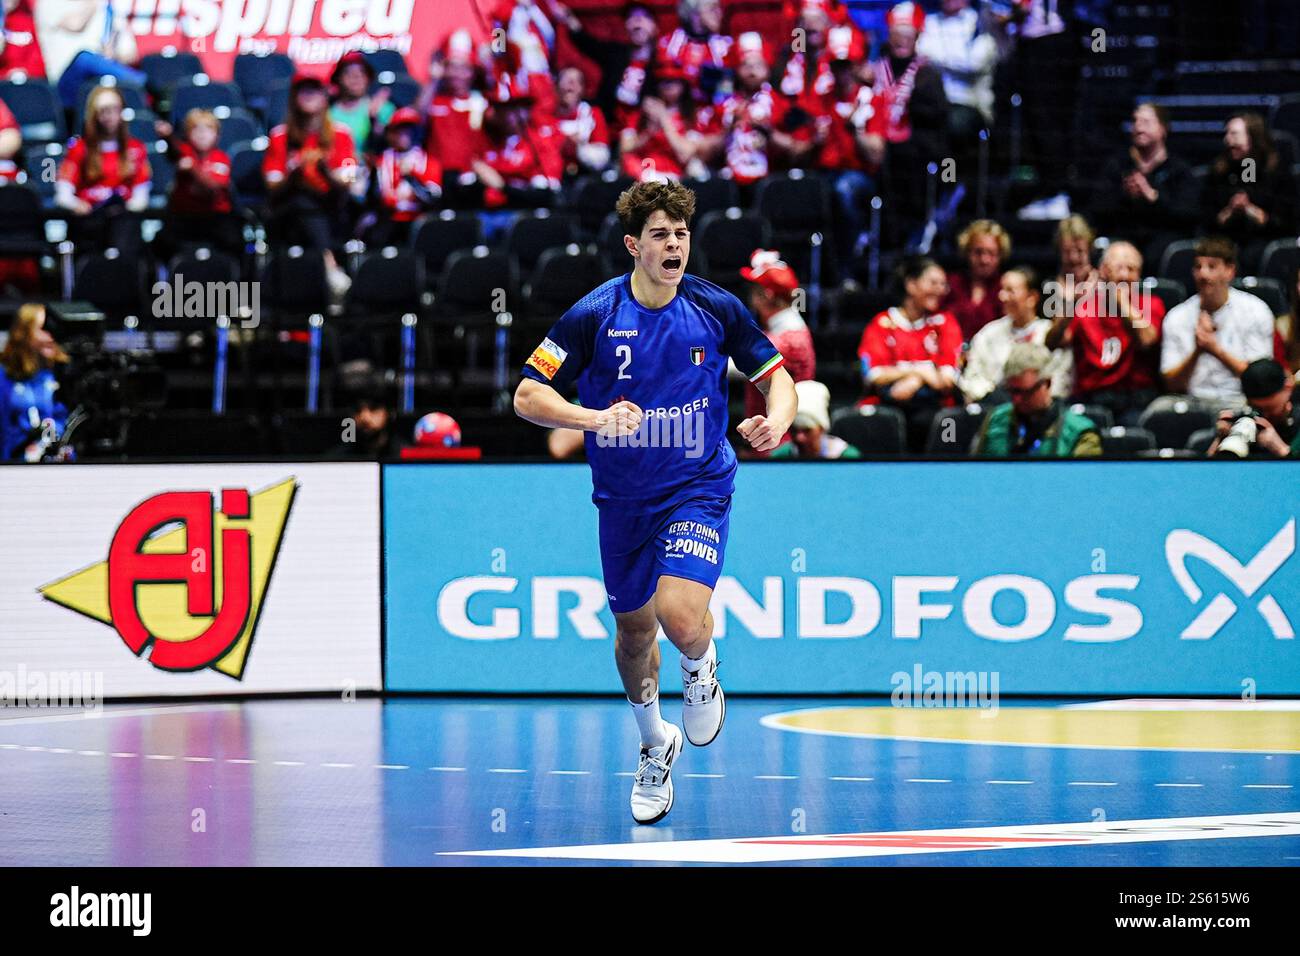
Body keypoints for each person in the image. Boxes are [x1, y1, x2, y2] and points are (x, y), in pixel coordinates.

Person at [512, 179, 796, 825]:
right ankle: (652, 742)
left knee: (679, 614)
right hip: (622, 500)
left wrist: (777, 421)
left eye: (682, 235)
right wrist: (591, 418)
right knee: (634, 634)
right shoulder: (593, 315)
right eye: (662, 236)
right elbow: (528, 396)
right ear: (634, 246)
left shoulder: (716, 308)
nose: (675, 246)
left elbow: (778, 380)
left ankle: (702, 669)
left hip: (698, 485)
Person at [1045, 240, 1164, 426]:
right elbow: (1052, 343)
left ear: (1139, 275)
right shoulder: (1084, 305)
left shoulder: (1151, 303)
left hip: (1134, 399)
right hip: (1090, 398)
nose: (1125, 275)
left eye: (1131, 269)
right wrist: (1072, 304)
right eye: (1118, 268)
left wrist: (1120, 299)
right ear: (1102, 270)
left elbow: (1146, 340)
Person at [263, 73, 358, 299]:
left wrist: (324, 169)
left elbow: (347, 182)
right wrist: (294, 172)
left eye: (314, 91)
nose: (308, 96)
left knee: (310, 202)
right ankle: (329, 264)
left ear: (324, 97)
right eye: (303, 91)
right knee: (300, 199)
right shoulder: (280, 137)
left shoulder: (340, 135)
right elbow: (272, 185)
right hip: (288, 213)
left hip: (330, 208)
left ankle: (327, 264)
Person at [858, 256, 963, 450]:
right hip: (887, 403)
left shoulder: (946, 323)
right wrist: (923, 371)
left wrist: (913, 379)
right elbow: (874, 375)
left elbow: (947, 379)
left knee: (940, 424)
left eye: (943, 284)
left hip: (935, 407)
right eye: (933, 283)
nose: (940, 290)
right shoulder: (882, 323)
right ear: (911, 285)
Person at [869, 2, 949, 248]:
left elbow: (937, 115)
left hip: (916, 147)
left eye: (907, 36)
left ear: (917, 38)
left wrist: (910, 102)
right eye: (896, 36)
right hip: (879, 141)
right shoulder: (875, 69)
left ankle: (917, 227)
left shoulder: (927, 73)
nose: (901, 41)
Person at [1161, 236, 1275, 406]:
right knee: (1160, 410)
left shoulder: (1255, 310)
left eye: (1212, 266)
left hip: (1240, 399)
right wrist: (1198, 350)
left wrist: (1215, 349)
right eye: (1198, 267)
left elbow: (1261, 379)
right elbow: (1171, 384)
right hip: (1190, 401)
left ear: (1230, 271)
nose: (1203, 274)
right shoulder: (1177, 317)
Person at [1089, 103, 1199, 266]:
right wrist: (1125, 195)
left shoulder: (1178, 170)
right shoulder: (1118, 166)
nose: (1139, 128)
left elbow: (1188, 214)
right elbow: (1098, 208)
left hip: (1163, 241)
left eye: (1146, 122)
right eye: (1135, 122)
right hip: (1124, 238)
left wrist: (1152, 196)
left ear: (1163, 129)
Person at [57, 84, 151, 252]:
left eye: (114, 109)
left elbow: (140, 197)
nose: (109, 116)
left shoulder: (136, 148)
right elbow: (63, 194)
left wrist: (127, 206)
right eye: (103, 110)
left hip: (122, 221)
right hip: (90, 219)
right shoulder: (79, 148)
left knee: (126, 226)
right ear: (94, 114)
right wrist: (76, 204)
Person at [735, 249, 816, 445]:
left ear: (766, 295)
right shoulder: (780, 330)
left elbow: (732, 367)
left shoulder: (789, 339)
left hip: (780, 441)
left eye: (754, 290)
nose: (750, 296)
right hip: (764, 435)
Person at [915, 0, 1003, 177]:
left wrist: (935, 57)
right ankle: (928, 190)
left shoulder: (980, 21)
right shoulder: (929, 22)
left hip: (969, 105)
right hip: (932, 103)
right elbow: (919, 50)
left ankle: (951, 181)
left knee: (952, 126)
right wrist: (957, 56)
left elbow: (974, 62)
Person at [1201, 113, 1298, 273]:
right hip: (1227, 238)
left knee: (1252, 255)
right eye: (1227, 134)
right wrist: (1230, 212)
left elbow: (1287, 218)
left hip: (1266, 239)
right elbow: (1208, 215)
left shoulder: (1274, 171)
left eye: (1234, 134)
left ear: (1253, 136)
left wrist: (1251, 210)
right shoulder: (1220, 171)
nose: (1228, 140)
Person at [961, 265, 1071, 404]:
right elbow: (973, 377)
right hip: (995, 407)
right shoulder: (989, 334)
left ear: (1032, 297)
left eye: (1010, 291)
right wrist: (991, 396)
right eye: (1002, 290)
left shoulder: (1050, 335)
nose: (1002, 296)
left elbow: (1061, 380)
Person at [973, 342, 1101, 458]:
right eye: (1013, 391)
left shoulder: (1080, 433)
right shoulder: (995, 420)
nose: (1017, 400)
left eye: (1026, 392)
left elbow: (1083, 482)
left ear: (1047, 383)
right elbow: (976, 472)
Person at [550, 1, 659, 129]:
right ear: (625, 26)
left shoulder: (661, 63)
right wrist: (568, 18)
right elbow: (586, 42)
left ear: (655, 27)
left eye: (645, 17)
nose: (638, 21)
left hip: (640, 134)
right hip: (606, 128)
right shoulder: (615, 54)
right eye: (632, 17)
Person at [155, 108, 242, 260]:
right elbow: (174, 153)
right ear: (187, 134)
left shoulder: (221, 158)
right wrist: (168, 137)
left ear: (217, 135)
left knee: (235, 240)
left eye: (208, 129)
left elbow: (213, 188)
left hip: (215, 217)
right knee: (160, 241)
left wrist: (192, 169)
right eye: (195, 129)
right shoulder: (184, 152)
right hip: (185, 217)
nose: (202, 134)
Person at [473, 76, 564, 209]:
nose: (508, 115)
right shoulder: (482, 142)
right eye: (501, 108)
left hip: (524, 215)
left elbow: (546, 195)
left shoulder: (540, 144)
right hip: (485, 211)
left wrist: (501, 186)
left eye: (514, 107)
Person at [618, 61, 717, 181]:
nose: (669, 86)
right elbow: (625, 148)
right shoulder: (641, 113)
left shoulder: (692, 117)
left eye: (674, 81)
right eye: (664, 81)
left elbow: (685, 154)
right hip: (642, 174)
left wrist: (664, 119)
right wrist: (649, 131)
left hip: (675, 177)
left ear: (683, 85)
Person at [0, 303, 70, 460]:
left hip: (62, 465)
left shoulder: (65, 374)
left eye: (54, 329)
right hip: (14, 465)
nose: (50, 335)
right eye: (44, 328)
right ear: (23, 333)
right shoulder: (4, 376)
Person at [364, 107, 442, 247]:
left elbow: (433, 198)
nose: (404, 134)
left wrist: (411, 178)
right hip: (388, 218)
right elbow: (373, 196)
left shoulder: (429, 162)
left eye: (408, 129)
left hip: (417, 220)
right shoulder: (381, 162)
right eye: (399, 129)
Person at [1207, 358, 1300, 459]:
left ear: (1288, 387)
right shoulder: (1246, 420)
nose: (1265, 415)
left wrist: (1281, 449)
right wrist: (1221, 439)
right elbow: (1208, 469)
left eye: (1270, 408)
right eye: (1257, 408)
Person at [942, 218, 1009, 341]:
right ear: (967, 252)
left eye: (991, 253)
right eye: (978, 252)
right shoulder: (950, 284)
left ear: (1001, 255)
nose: (984, 260)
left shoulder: (1006, 287)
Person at [656, 0, 732, 104]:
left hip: (714, 112)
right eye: (712, 9)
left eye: (719, 8)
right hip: (677, 111)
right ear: (694, 13)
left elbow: (728, 93)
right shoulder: (668, 45)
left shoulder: (725, 46)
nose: (720, 13)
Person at [328, 51, 395, 163]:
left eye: (362, 72)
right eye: (348, 73)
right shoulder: (327, 113)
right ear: (338, 78)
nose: (356, 77)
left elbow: (398, 146)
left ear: (368, 79)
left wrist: (376, 122)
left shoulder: (383, 109)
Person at [770, 380, 859, 458]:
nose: (799, 438)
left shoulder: (847, 457)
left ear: (822, 428)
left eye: (807, 430)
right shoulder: (780, 457)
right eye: (794, 430)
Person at [552, 66, 611, 176]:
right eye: (567, 80)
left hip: (584, 175)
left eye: (577, 81)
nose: (571, 84)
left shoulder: (592, 114)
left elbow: (601, 157)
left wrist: (578, 148)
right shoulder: (546, 115)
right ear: (556, 86)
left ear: (582, 89)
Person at [325, 388, 407, 459]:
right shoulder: (337, 458)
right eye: (358, 410)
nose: (365, 417)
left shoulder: (406, 456)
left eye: (373, 408)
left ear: (390, 414)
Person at [1050, 214, 1099, 307]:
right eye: (1067, 251)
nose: (1073, 258)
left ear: (1090, 249)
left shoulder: (1105, 285)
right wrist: (1075, 300)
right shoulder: (1049, 287)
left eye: (1080, 251)